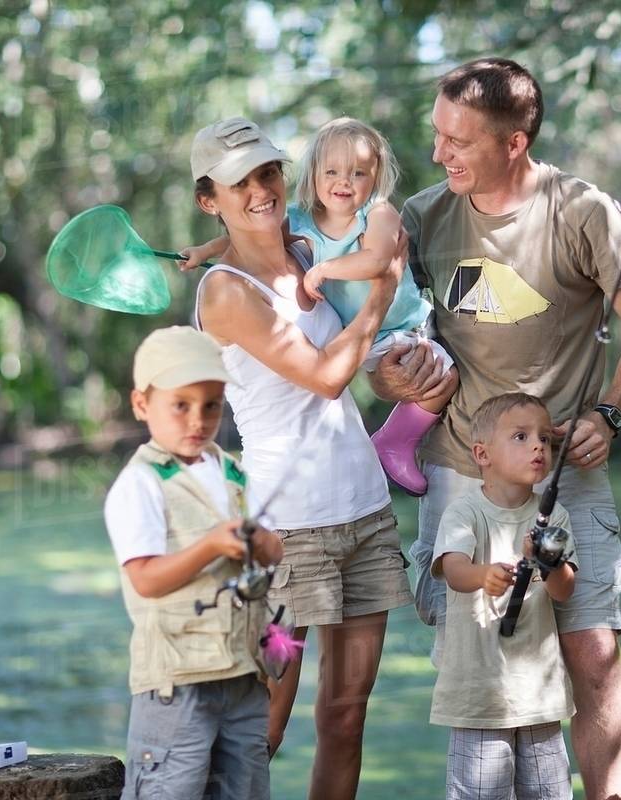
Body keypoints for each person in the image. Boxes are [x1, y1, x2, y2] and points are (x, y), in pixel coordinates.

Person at [370, 58, 621, 800]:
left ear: (514, 143)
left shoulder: (583, 214)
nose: (440, 154)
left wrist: (609, 412)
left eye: (458, 141)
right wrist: (392, 377)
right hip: (456, 479)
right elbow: (376, 350)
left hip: (565, 479)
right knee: (482, 677)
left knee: (593, 658)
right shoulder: (418, 218)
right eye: (437, 136)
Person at [184, 116, 415, 800]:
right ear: (209, 197)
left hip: (366, 518)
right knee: (263, 725)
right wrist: (382, 292)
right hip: (289, 538)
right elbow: (323, 375)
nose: (261, 190)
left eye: (268, 173)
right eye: (239, 183)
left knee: (345, 718)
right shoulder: (225, 293)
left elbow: (331, 223)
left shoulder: (305, 244)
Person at [181, 116, 458, 497]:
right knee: (444, 375)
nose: (344, 182)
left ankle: (395, 439)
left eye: (358, 173)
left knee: (441, 375)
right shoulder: (237, 281)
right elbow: (329, 377)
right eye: (239, 182)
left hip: (364, 491)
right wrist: (202, 252)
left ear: (375, 178)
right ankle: (395, 442)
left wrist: (327, 269)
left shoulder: (360, 220)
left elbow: (379, 262)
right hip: (294, 505)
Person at [103, 325, 285, 800]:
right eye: (180, 405)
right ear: (142, 405)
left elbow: (272, 550)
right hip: (176, 686)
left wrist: (262, 544)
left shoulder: (232, 471)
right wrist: (209, 547)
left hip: (244, 679)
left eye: (211, 405)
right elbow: (144, 579)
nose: (197, 420)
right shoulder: (139, 484)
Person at [431, 392, 577, 800]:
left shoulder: (556, 516)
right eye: (521, 436)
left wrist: (547, 562)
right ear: (482, 454)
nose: (538, 446)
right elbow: (454, 570)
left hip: (539, 697)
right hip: (479, 696)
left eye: (545, 439)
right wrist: (484, 576)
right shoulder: (464, 512)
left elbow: (564, 590)